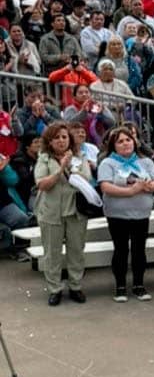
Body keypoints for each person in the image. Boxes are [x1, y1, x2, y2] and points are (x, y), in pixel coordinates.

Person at [97, 127, 154, 302]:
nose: (125, 143)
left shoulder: (145, 162)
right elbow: (105, 186)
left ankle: (139, 285)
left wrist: (150, 186)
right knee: (121, 249)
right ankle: (120, 286)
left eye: (128, 140)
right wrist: (131, 191)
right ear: (114, 146)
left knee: (139, 249)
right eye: (120, 141)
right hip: (117, 214)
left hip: (141, 213)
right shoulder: (108, 163)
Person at [34, 121, 92, 305]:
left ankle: (75, 286)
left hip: (75, 211)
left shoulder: (80, 156)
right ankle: (55, 289)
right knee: (52, 253)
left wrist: (70, 167)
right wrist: (60, 169)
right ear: (49, 142)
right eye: (56, 137)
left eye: (64, 137)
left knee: (76, 251)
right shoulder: (44, 158)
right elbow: (42, 184)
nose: (61, 141)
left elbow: (87, 178)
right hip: (51, 213)